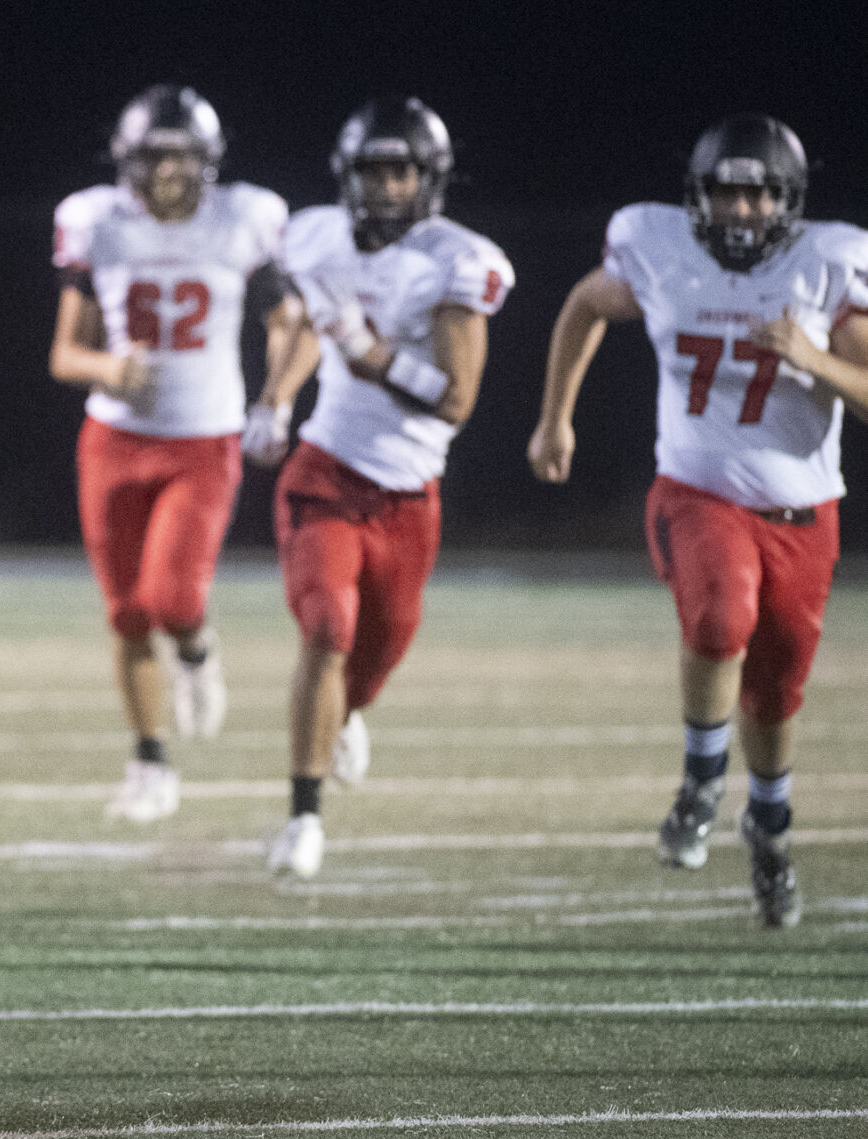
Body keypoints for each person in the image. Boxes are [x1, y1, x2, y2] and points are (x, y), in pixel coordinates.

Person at [529, 113, 868, 928]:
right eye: (726, 193)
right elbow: (585, 303)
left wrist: (816, 358)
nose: (741, 210)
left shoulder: (829, 265)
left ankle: (770, 831)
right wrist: (555, 417)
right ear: (699, 197)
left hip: (802, 515)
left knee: (776, 693)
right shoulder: (661, 248)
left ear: (785, 202)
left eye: (757, 195)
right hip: (697, 492)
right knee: (721, 619)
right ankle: (700, 782)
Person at [251, 97, 513, 878]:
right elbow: (307, 322)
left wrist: (373, 358)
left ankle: (348, 714)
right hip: (326, 471)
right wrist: (274, 397)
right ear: (346, 175)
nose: (384, 186)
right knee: (327, 628)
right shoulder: (317, 233)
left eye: (399, 170)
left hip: (409, 494)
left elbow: (457, 399)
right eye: (371, 170)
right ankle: (304, 817)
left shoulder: (457, 259)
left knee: (378, 653)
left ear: (427, 178)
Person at [49, 84, 294, 822]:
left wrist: (275, 398)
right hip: (115, 441)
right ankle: (151, 762)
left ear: (207, 162)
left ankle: (195, 650)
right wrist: (109, 368)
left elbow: (288, 323)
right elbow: (66, 354)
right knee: (126, 612)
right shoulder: (97, 224)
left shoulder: (244, 219)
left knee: (175, 599)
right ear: (129, 161)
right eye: (154, 157)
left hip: (203, 438)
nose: (166, 173)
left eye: (180, 157)